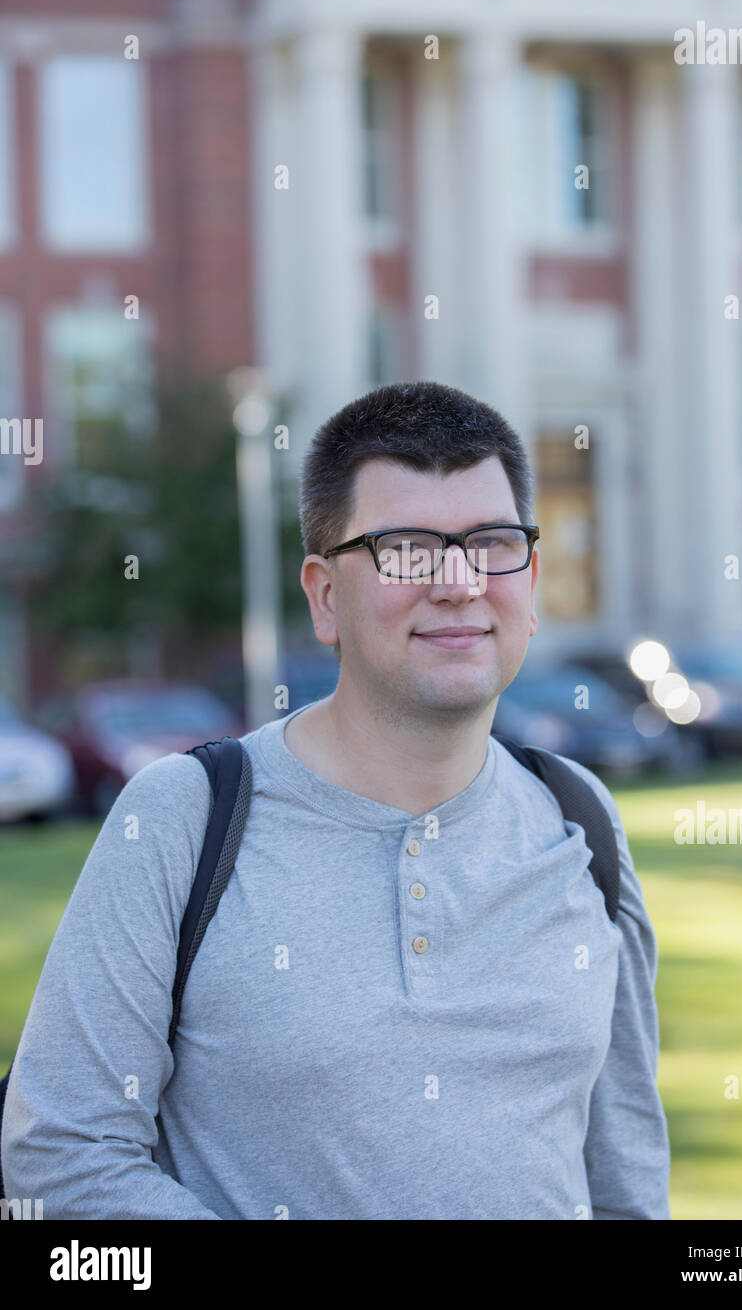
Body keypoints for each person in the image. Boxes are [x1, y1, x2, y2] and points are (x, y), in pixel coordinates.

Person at [2, 380, 670, 1220]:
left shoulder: (583, 819)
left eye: (491, 543)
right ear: (325, 597)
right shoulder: (182, 817)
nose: (460, 582)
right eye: (408, 550)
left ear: (530, 583)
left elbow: (626, 1181)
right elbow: (61, 1153)